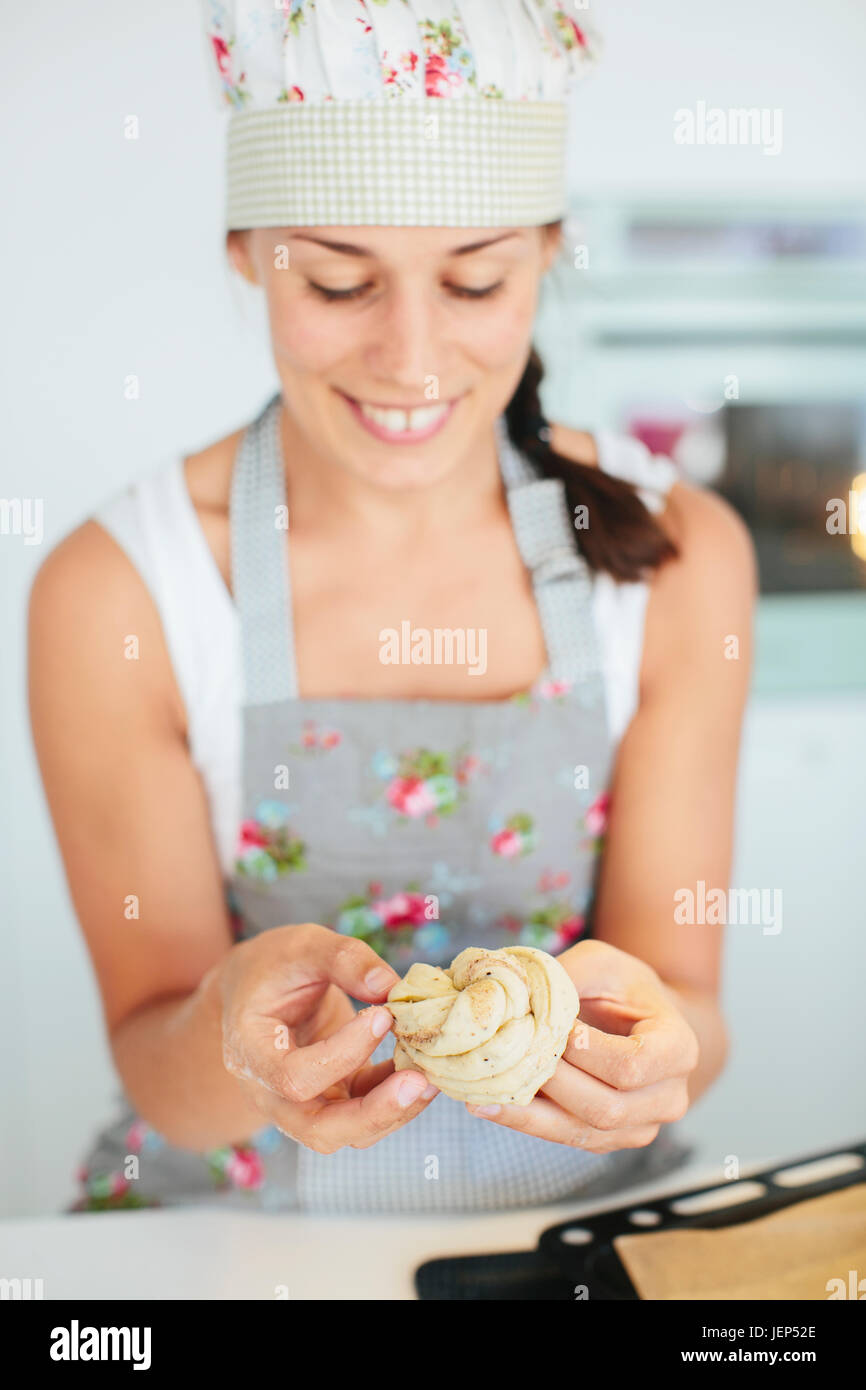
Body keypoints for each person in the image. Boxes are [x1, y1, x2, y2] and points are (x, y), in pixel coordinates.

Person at [28, 0, 755, 1214]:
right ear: (246, 255)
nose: (411, 359)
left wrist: (660, 1058)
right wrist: (226, 1029)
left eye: (474, 282)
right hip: (232, 1226)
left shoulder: (675, 557)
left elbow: (688, 1007)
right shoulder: (119, 590)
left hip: (569, 1225)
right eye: (335, 279)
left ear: (542, 256)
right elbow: (156, 1055)